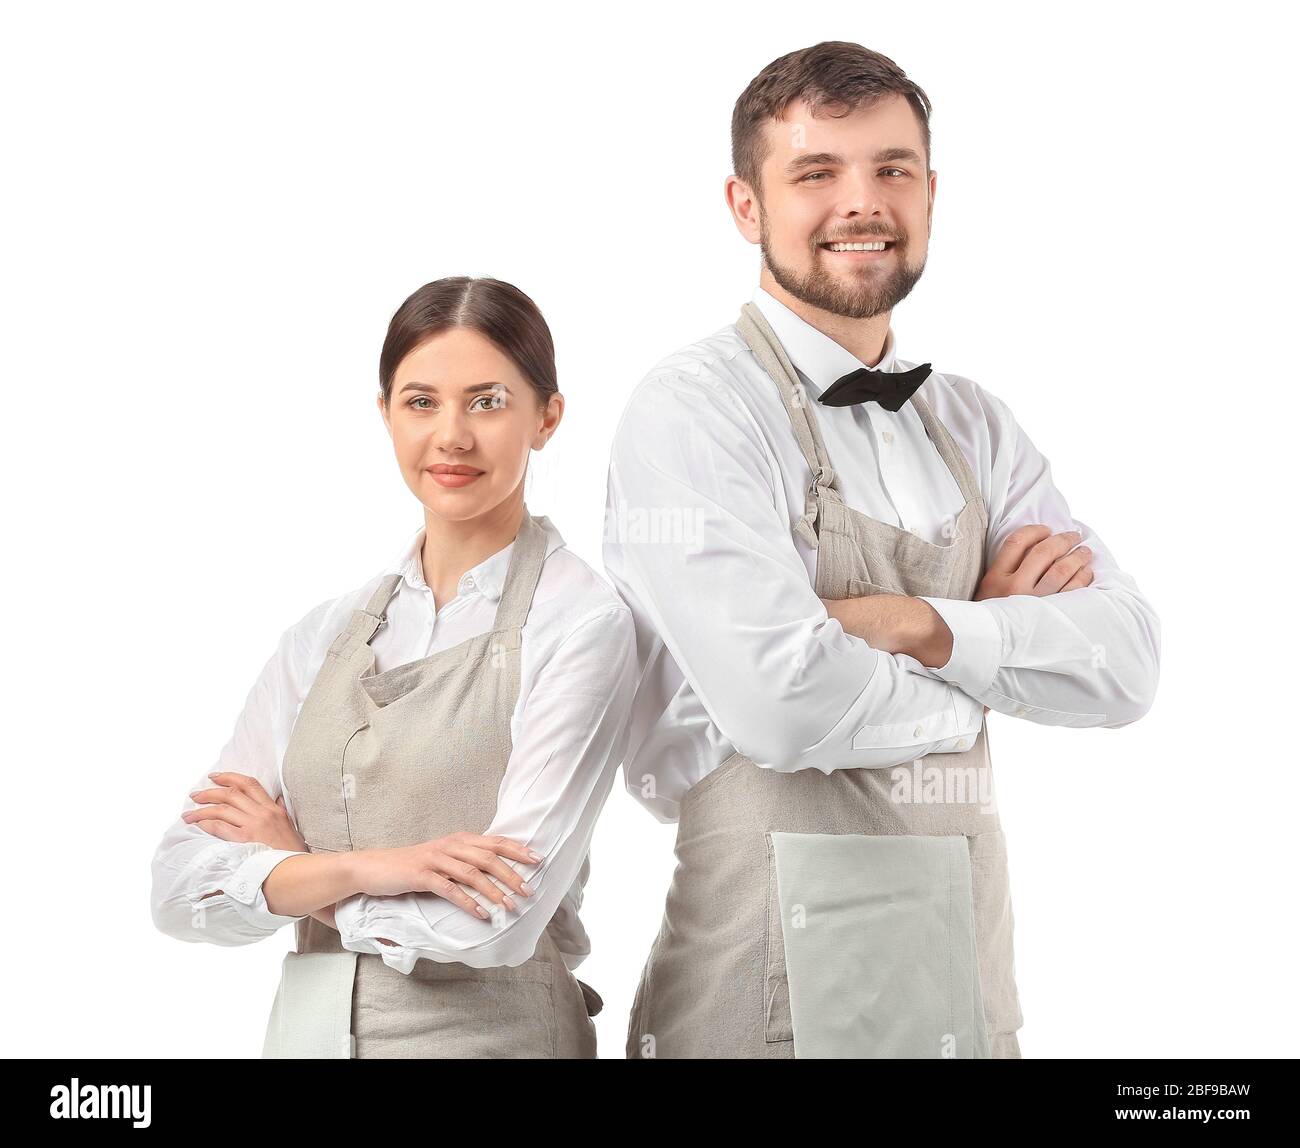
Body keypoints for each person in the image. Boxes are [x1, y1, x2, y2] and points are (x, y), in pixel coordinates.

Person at [604, 42, 1161, 1059]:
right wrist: (992, 669)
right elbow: (780, 703)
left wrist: (914, 622)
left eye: (891, 169)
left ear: (930, 191)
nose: (861, 202)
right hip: (757, 1003)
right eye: (816, 172)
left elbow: (1125, 665)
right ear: (744, 206)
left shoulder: (975, 423)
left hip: (963, 996)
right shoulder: (693, 410)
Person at [152, 276, 637, 1058]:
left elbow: (498, 922)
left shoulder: (580, 623)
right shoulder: (322, 635)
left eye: (487, 402)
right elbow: (179, 888)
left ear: (547, 417)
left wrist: (300, 874)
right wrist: (372, 868)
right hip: (305, 1039)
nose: (451, 436)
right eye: (421, 402)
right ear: (384, 414)